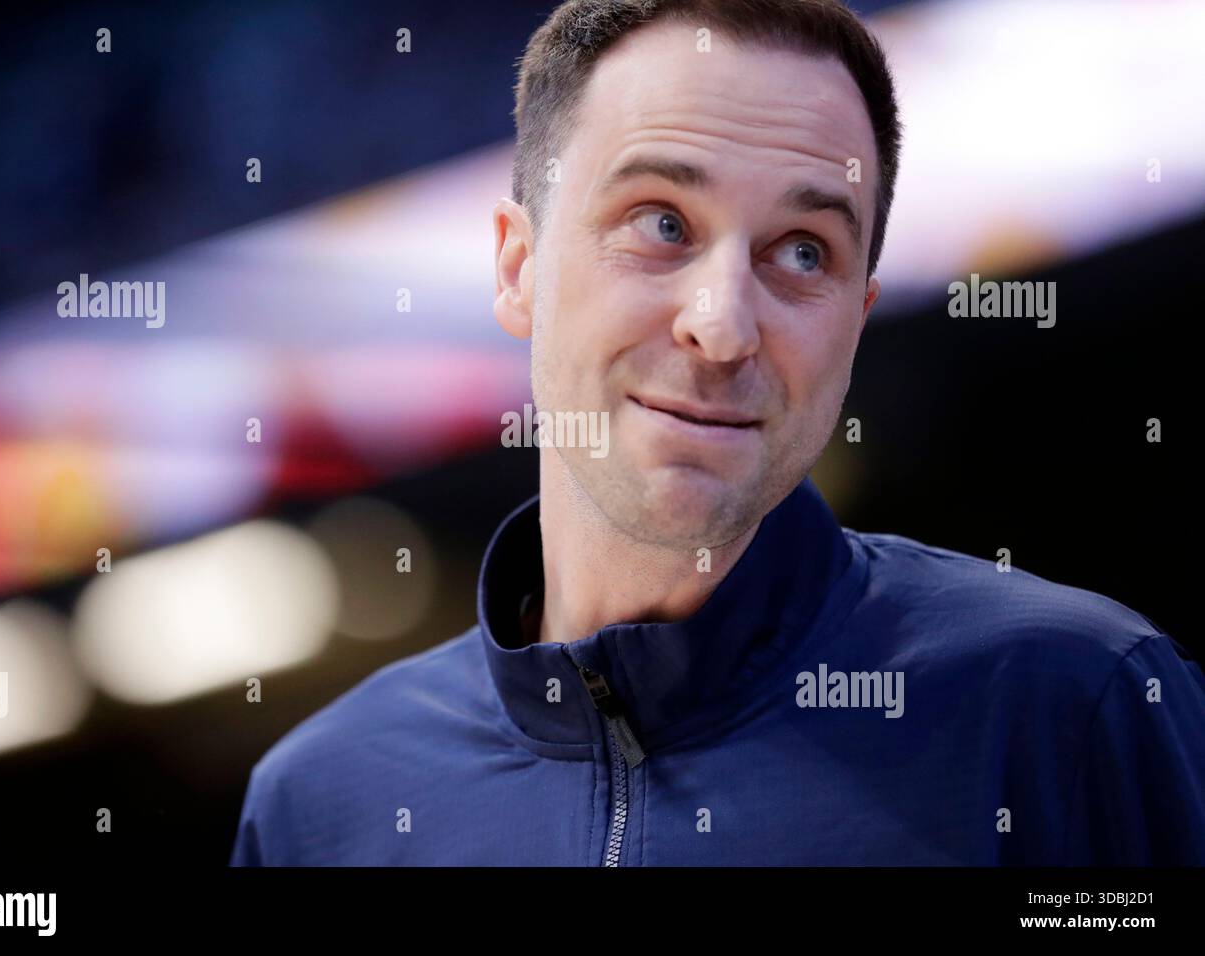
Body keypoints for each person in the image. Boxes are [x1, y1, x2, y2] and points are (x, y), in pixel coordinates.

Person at [230, 0, 1205, 866]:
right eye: (660, 222)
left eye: (801, 251)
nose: (723, 322)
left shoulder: (1065, 706)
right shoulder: (321, 807)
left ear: (856, 319)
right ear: (518, 267)